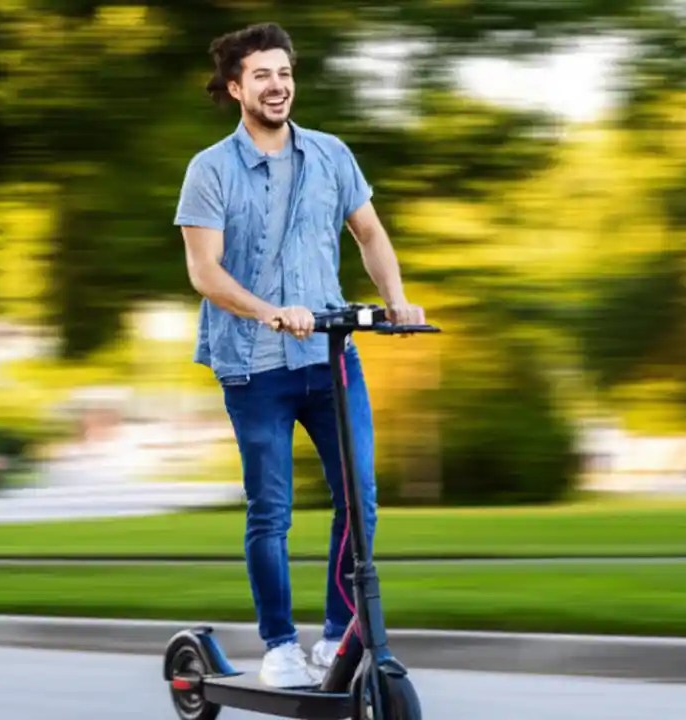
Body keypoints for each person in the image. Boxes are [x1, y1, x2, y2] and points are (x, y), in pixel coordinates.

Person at [173, 22, 426, 688]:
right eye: (261, 75)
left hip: (329, 357)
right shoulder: (210, 170)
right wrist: (268, 310)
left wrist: (397, 301)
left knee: (359, 499)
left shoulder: (331, 155)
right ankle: (280, 645)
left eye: (283, 73)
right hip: (253, 365)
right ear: (236, 88)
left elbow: (369, 233)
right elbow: (205, 271)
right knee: (272, 510)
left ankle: (338, 636)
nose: (277, 85)